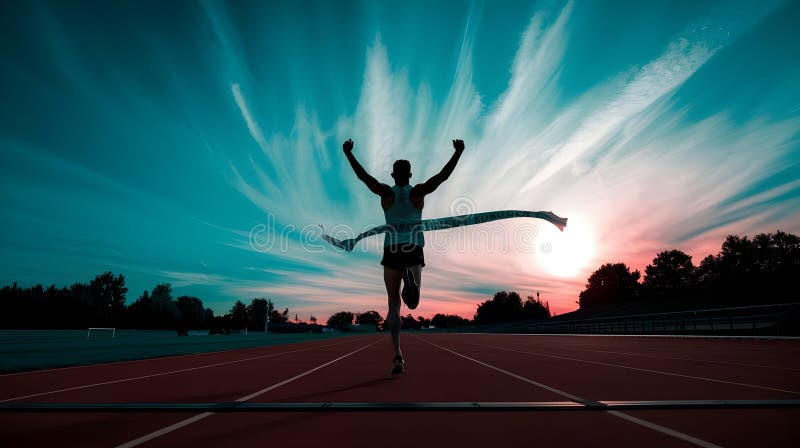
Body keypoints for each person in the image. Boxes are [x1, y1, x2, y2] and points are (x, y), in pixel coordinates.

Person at [342, 138, 465, 374]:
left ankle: (397, 354)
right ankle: (412, 282)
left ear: (392, 175)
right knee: (413, 303)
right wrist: (458, 152)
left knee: (393, 303)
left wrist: (348, 153)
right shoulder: (417, 192)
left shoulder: (385, 193)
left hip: (392, 251)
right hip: (413, 249)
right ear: (410, 174)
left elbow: (363, 177)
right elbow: (442, 177)